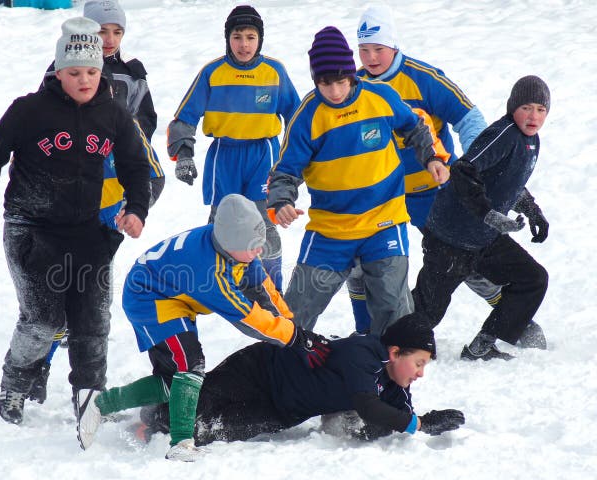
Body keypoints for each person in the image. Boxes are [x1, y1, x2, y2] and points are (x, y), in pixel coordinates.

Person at [0, 18, 151, 427]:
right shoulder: (30, 110)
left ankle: (89, 397)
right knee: (44, 318)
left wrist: (137, 209)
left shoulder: (115, 115)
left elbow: (137, 168)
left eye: (90, 71)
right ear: (58, 71)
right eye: (73, 72)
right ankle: (14, 385)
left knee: (92, 318)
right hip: (30, 226)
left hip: (86, 229)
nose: (83, 80)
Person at [75, 194, 333, 461]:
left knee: (171, 381)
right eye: (253, 246)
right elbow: (250, 319)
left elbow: (263, 290)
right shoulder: (211, 273)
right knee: (190, 362)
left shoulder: (238, 249)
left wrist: (293, 326)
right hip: (150, 297)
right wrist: (294, 339)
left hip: (174, 296)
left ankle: (98, 403)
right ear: (230, 243)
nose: (259, 251)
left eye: (261, 244)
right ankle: (181, 443)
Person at [267, 26, 448, 337]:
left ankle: (390, 379)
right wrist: (282, 200)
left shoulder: (380, 96)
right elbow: (285, 171)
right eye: (326, 83)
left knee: (394, 311)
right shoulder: (307, 116)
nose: (335, 91)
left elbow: (415, 127)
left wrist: (432, 157)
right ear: (315, 80)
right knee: (295, 313)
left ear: (351, 74)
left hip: (384, 221)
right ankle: (278, 376)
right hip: (331, 229)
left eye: (340, 81)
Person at [27, 0, 166, 405]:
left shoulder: (132, 75)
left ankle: (81, 379)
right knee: (63, 288)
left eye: (116, 33)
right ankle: (39, 364)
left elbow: (146, 124)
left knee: (85, 289)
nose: (108, 40)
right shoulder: (61, 73)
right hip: (68, 198)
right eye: (101, 31)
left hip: (111, 200)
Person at [137, 313, 465, 445]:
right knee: (195, 401)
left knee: (206, 432)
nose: (421, 373)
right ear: (395, 352)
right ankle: (144, 406)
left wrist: (421, 423)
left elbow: (392, 418)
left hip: (281, 411)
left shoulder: (396, 386)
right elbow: (368, 406)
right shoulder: (365, 353)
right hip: (260, 370)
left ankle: (160, 421)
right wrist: (419, 424)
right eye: (419, 363)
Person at [412, 76, 551, 361]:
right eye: (526, 107)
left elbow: (508, 180)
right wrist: (488, 214)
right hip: (451, 237)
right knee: (426, 313)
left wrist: (532, 210)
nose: (533, 116)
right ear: (513, 108)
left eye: (540, 109)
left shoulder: (530, 141)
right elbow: (464, 170)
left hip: (484, 239)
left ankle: (483, 344)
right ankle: (386, 344)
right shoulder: (504, 135)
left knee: (532, 279)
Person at [167, 5, 300, 290]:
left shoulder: (274, 72)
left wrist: (297, 160)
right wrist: (184, 155)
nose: (244, 44)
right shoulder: (212, 73)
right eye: (237, 37)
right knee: (222, 220)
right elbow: (184, 117)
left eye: (251, 37)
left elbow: (298, 120)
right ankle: (222, 286)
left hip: (263, 155)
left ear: (259, 40)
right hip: (224, 156)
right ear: (228, 38)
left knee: (264, 222)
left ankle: (270, 290)